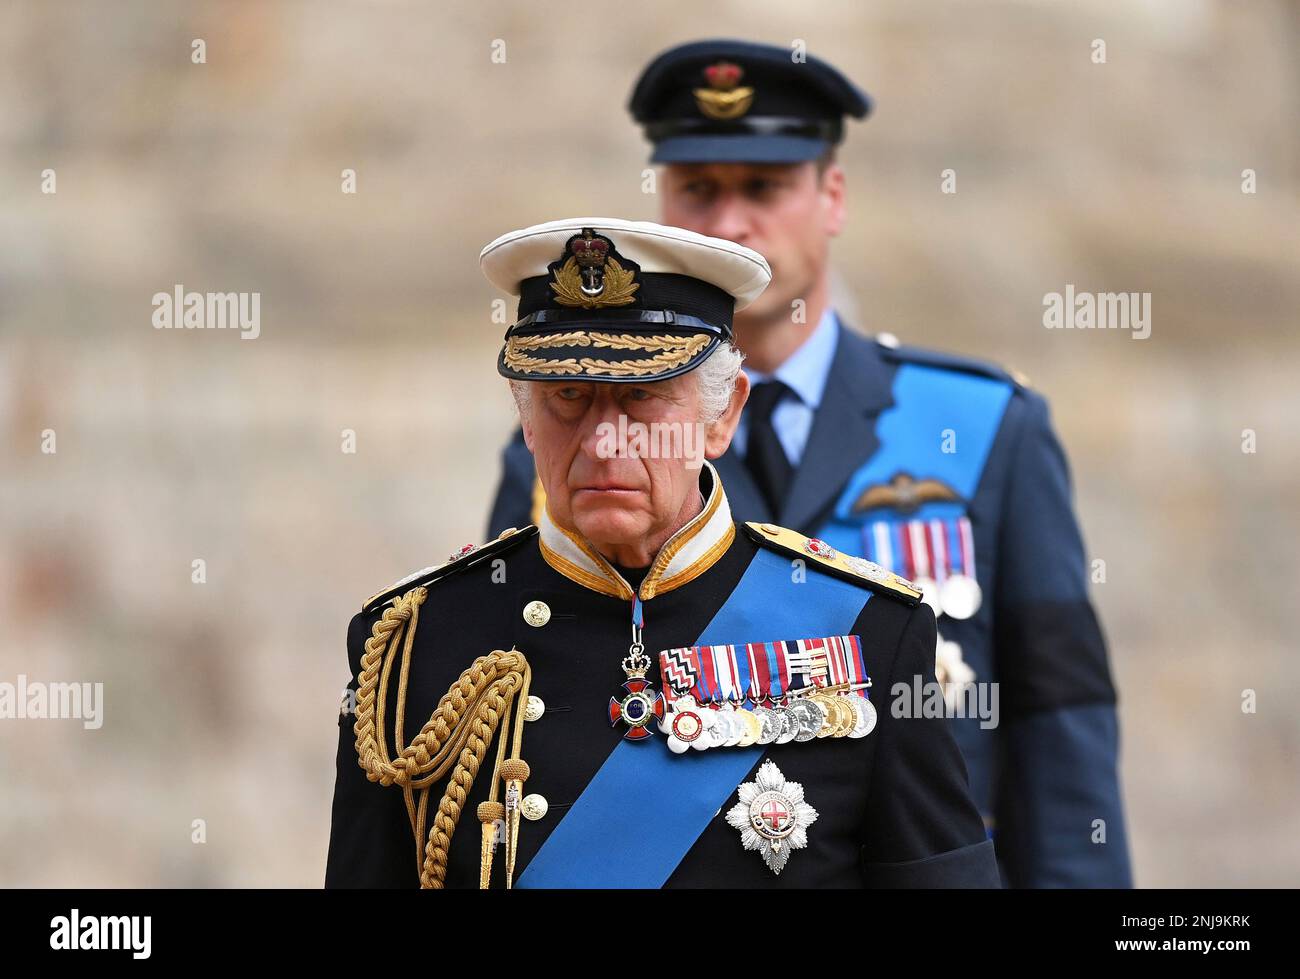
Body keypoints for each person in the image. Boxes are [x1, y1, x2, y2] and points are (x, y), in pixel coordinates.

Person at [485, 41, 1131, 889]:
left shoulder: (980, 427)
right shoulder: (575, 457)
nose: (726, 222)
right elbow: (518, 705)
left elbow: (1061, 719)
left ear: (832, 196)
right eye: (698, 189)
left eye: (763, 187)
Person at [326, 217, 999, 888]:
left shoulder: (865, 629)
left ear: (722, 414)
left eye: (642, 397)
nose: (603, 442)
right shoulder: (411, 646)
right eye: (568, 398)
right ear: (524, 416)